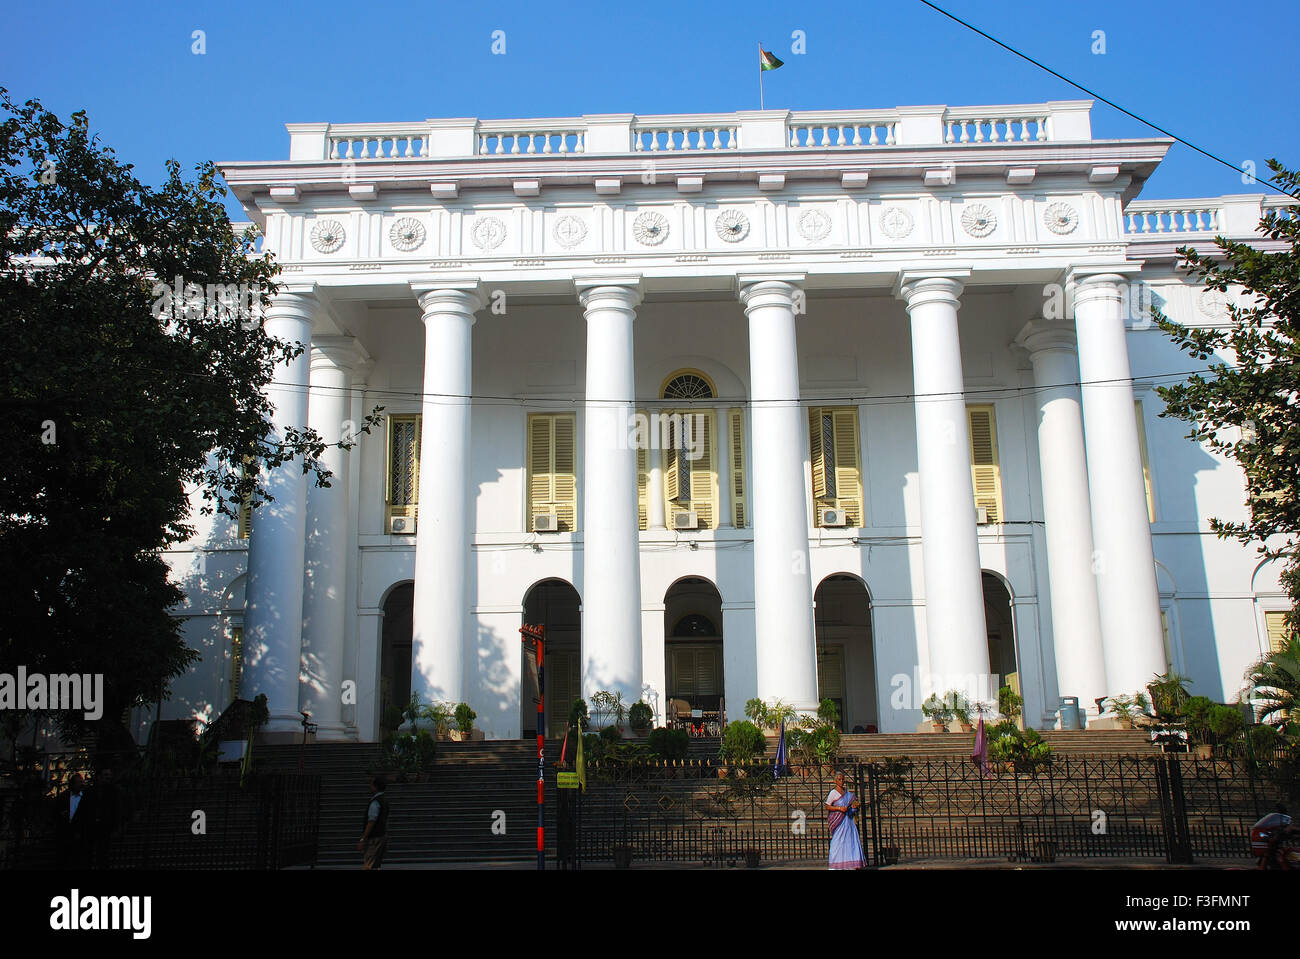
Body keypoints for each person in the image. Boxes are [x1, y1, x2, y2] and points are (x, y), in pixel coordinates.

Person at [825, 769, 864, 870]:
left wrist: (854, 807)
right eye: (839, 779)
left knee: (850, 842)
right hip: (839, 821)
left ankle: (850, 864)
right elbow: (827, 806)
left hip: (848, 821)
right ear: (835, 781)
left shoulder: (848, 794)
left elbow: (852, 803)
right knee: (837, 842)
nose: (841, 781)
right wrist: (839, 808)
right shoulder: (833, 793)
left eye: (842, 779)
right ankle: (836, 865)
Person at [356, 776, 389, 870]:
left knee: (370, 863)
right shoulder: (384, 800)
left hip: (374, 837)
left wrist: (363, 839)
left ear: (376, 787)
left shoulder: (376, 802)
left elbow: (371, 821)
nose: (370, 787)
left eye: (371, 785)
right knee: (375, 864)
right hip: (381, 835)